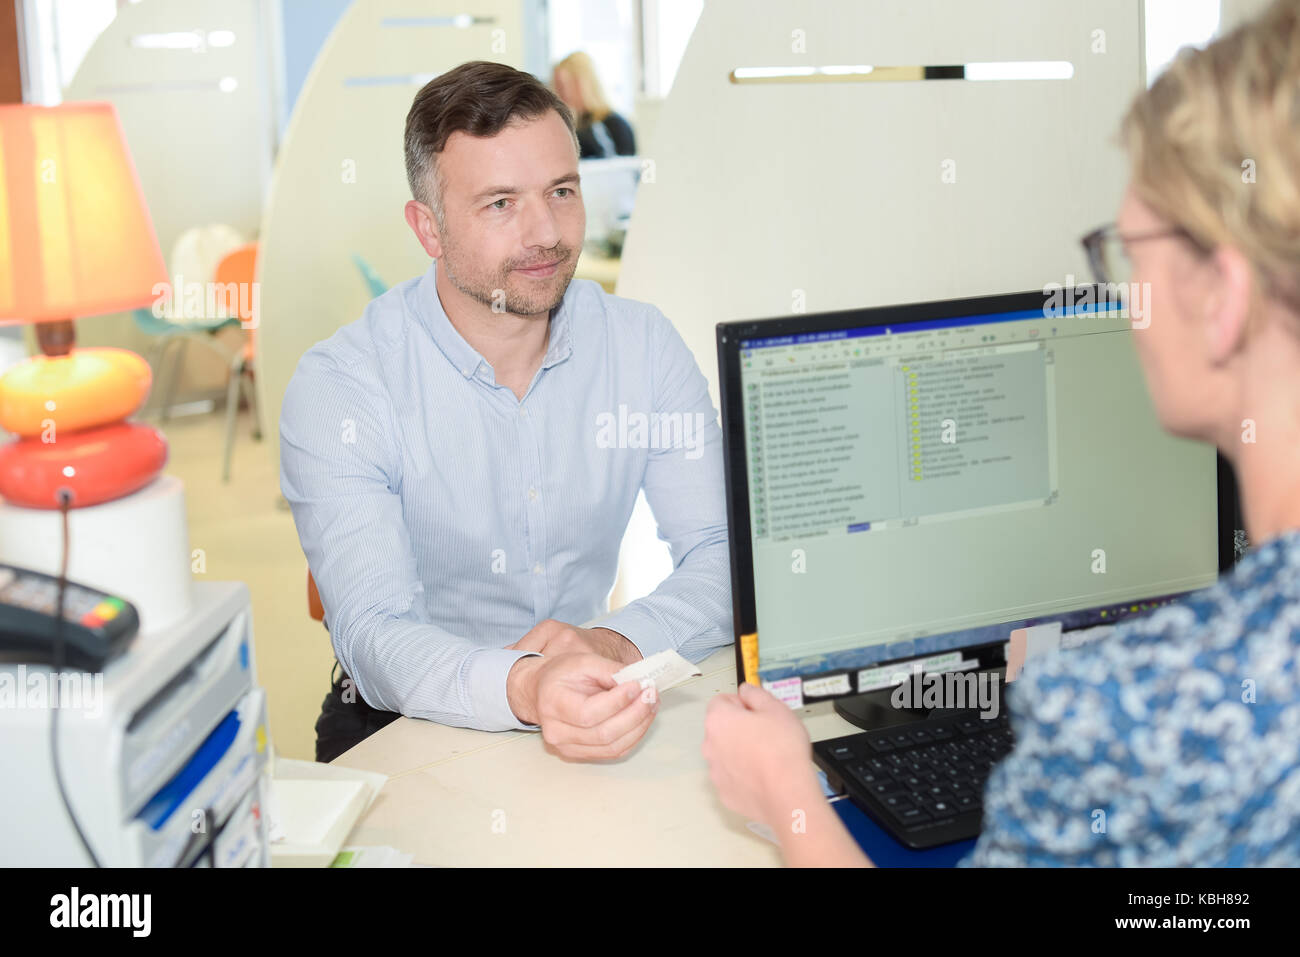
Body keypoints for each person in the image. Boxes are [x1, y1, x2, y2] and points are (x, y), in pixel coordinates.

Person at [703, 0, 1300, 866]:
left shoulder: (1131, 715)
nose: (1120, 301)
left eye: (1127, 257)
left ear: (1223, 298)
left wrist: (787, 796)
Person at [280, 61, 731, 762]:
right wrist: (525, 685)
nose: (546, 232)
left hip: (590, 688)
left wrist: (612, 641)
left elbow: (724, 552)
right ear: (428, 229)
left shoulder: (641, 345)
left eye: (561, 190)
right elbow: (374, 631)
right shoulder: (343, 385)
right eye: (500, 203)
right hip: (402, 720)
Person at [552, 52, 636, 158]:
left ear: (581, 83)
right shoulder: (573, 127)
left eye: (563, 85)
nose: (559, 93)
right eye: (557, 86)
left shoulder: (616, 125)